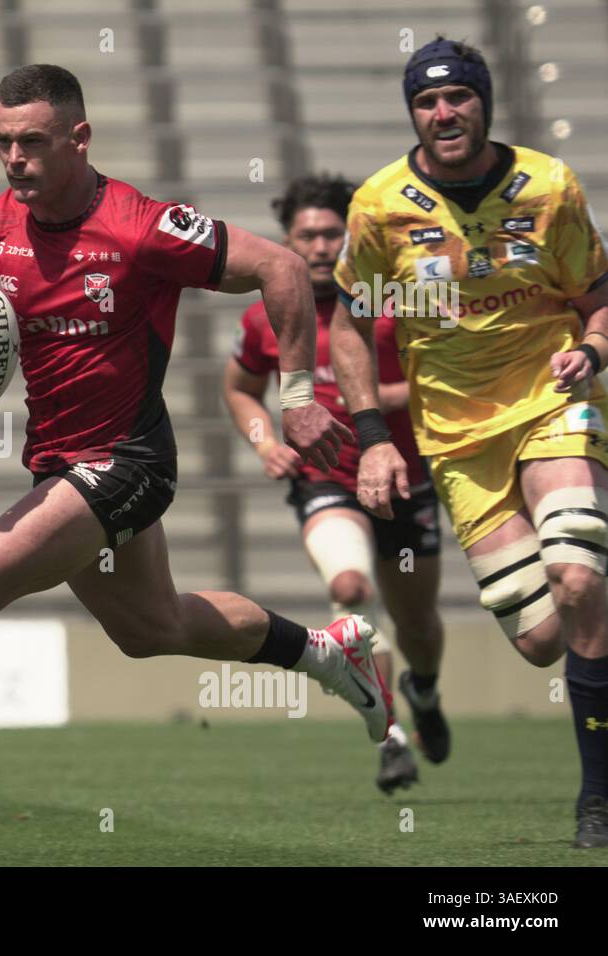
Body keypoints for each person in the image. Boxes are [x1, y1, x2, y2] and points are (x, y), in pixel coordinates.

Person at [0, 64, 389, 859]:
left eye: (31, 143)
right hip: (60, 466)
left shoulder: (141, 226)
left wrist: (295, 398)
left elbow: (283, 268)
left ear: (79, 139)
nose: (14, 159)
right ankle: (331, 655)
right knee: (152, 627)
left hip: (128, 460)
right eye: (2, 143)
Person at [329, 38, 608, 848]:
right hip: (454, 438)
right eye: (427, 102)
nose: (444, 113)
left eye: (458, 98)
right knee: (543, 637)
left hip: (551, 403)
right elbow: (348, 325)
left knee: (577, 573)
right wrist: (375, 438)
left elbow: (597, 296)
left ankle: (596, 800)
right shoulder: (382, 206)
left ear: (484, 102)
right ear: (413, 113)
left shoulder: (551, 187)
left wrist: (590, 351)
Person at [224, 174, 448, 794]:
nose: (321, 246)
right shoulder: (266, 311)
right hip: (327, 482)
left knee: (420, 624)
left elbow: (438, 380)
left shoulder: (386, 301)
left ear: (349, 237)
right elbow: (240, 389)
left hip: (403, 477)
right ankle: (391, 734)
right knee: (349, 589)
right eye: (307, 236)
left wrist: (359, 400)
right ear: (288, 242)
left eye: (331, 233)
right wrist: (264, 441)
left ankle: (422, 690)